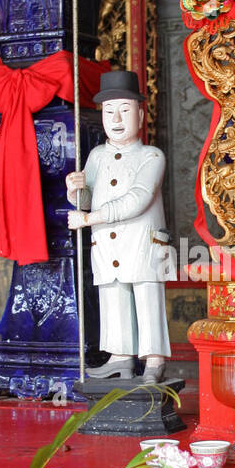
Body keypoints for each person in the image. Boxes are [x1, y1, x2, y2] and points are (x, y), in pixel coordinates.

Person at [66, 70, 171, 382]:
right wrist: (75, 189)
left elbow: (137, 199)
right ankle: (120, 356)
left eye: (125, 110)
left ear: (139, 113)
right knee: (113, 294)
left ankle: (153, 360)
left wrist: (89, 219)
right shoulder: (97, 156)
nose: (116, 118)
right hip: (107, 243)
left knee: (146, 294)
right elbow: (87, 199)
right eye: (109, 111)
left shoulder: (152, 156)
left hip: (142, 241)